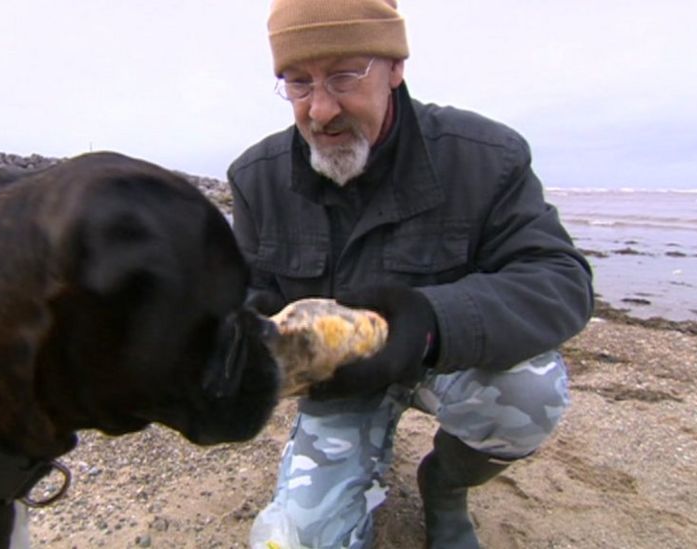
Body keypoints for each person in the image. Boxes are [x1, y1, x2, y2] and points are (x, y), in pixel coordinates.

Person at [228, 1, 593, 547]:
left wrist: (429, 324)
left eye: (344, 76)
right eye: (299, 84)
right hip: (339, 384)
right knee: (292, 542)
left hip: (444, 357)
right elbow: (247, 290)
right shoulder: (255, 178)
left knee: (528, 393)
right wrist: (249, 325)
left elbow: (559, 278)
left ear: (396, 67)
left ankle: (444, 485)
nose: (321, 110)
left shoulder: (486, 157)